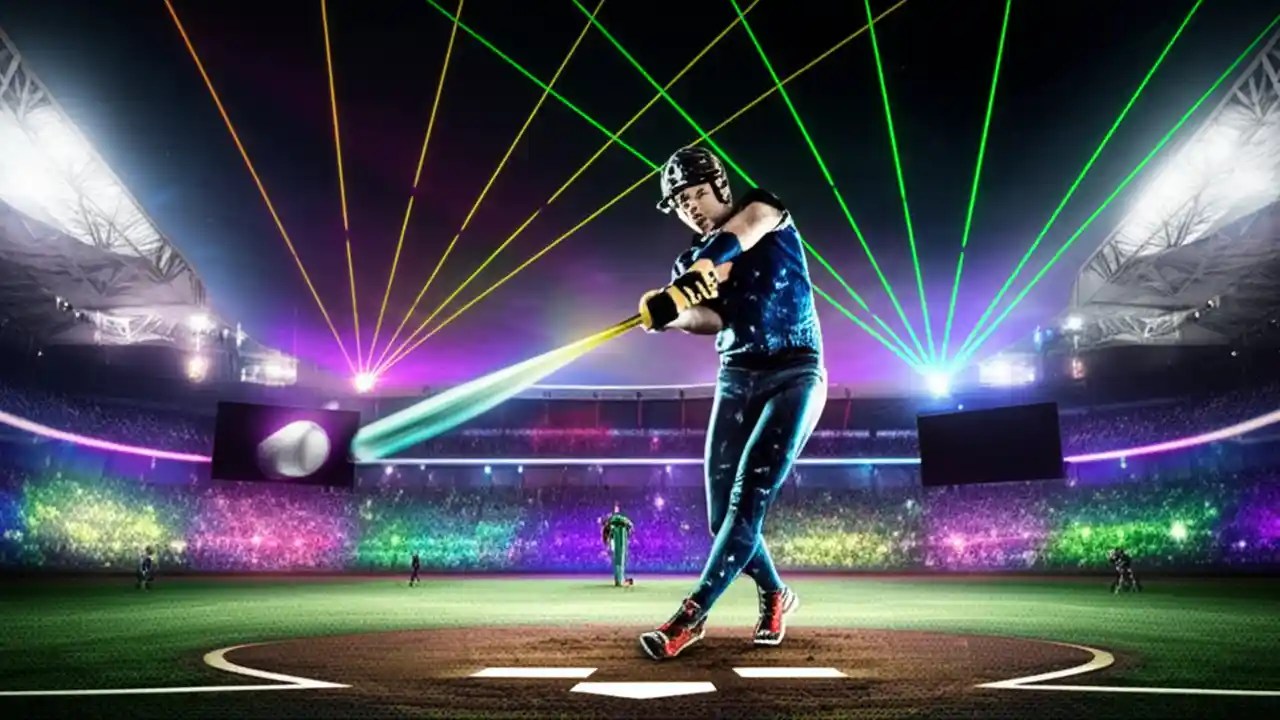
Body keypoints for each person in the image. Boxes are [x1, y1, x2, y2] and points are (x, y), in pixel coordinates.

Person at [635, 146, 827, 660]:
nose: (691, 206)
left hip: (796, 371)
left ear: (720, 186)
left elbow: (739, 236)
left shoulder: (763, 209)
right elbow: (713, 320)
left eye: (698, 193)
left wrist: (697, 271)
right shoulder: (686, 263)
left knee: (747, 501)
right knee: (721, 517)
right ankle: (774, 592)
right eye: (680, 202)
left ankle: (690, 617)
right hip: (737, 376)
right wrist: (671, 313)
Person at [601, 503, 634, 587]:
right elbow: (628, 525)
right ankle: (619, 580)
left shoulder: (612, 523)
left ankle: (620, 579)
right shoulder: (613, 523)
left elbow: (606, 537)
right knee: (619, 560)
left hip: (618, 539)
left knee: (619, 560)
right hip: (617, 539)